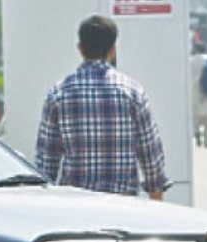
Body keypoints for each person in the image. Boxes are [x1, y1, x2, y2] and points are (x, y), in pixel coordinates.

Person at [36, 15, 169, 200]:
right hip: (123, 205)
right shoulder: (133, 91)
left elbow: (46, 161)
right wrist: (156, 194)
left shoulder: (58, 94)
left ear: (80, 49)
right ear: (113, 50)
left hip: (76, 205)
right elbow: (150, 153)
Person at [189, 42, 207, 148]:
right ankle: (206, 140)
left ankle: (197, 133)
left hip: (195, 91)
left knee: (195, 115)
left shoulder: (191, 61)